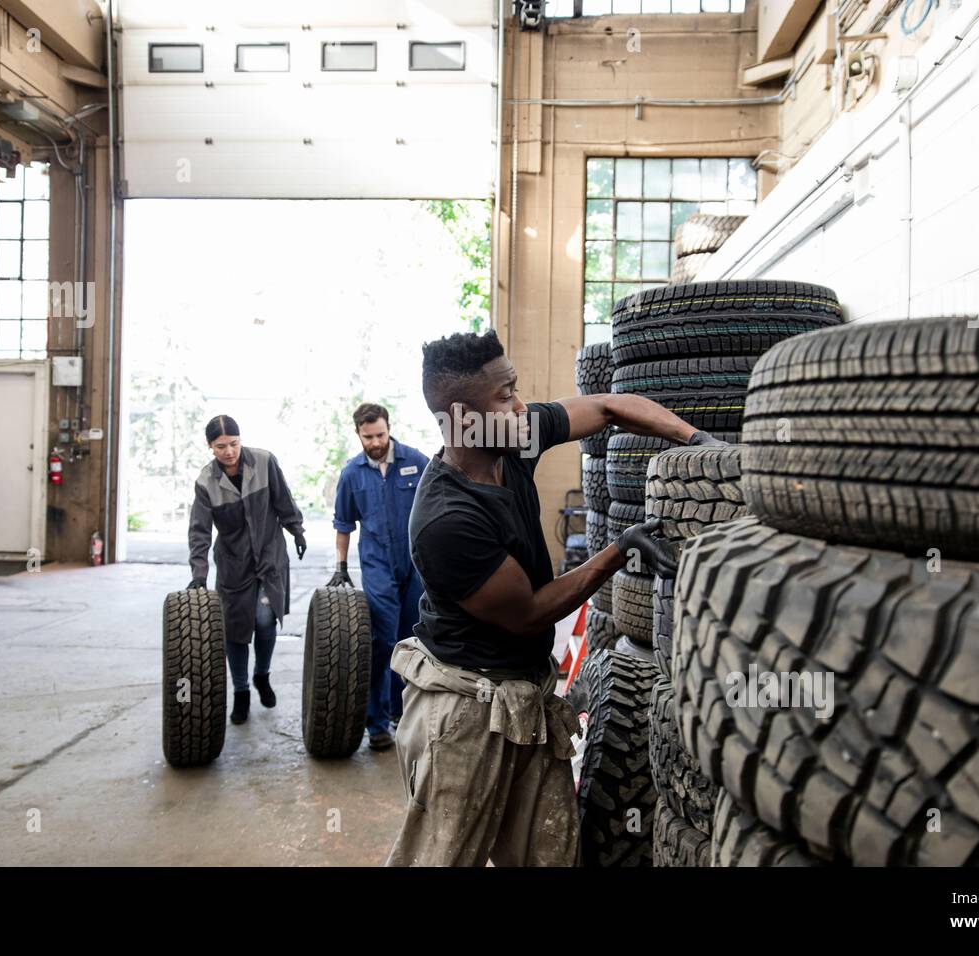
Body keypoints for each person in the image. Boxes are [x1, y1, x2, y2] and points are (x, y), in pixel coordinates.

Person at [386, 330, 723, 866]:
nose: (521, 405)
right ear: (462, 415)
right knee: (443, 857)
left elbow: (609, 407)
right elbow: (530, 613)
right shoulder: (445, 520)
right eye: (505, 395)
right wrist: (617, 552)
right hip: (463, 711)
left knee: (550, 855)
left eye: (515, 388)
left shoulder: (512, 434)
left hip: (525, 691)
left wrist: (700, 443)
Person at [188, 414, 307, 725]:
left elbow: (284, 500)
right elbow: (199, 531)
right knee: (236, 631)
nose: (229, 451)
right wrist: (198, 575)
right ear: (210, 447)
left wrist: (297, 530)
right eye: (220, 446)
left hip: (269, 556)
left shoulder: (265, 462)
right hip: (233, 564)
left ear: (241, 440)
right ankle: (241, 691)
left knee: (266, 619)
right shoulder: (206, 482)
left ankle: (261, 675)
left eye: (233, 443)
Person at [329, 403, 430, 751]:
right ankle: (376, 723)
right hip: (377, 565)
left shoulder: (416, 461)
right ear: (358, 434)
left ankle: (403, 713)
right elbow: (343, 525)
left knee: (412, 641)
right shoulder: (352, 475)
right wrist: (341, 567)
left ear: (390, 428)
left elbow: (440, 507)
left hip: (416, 564)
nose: (375, 442)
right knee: (382, 640)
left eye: (381, 435)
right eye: (368, 436)